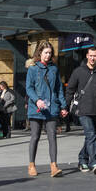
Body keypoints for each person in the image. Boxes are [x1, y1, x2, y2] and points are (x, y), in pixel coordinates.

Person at [65, 47, 96, 174]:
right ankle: (95, 162)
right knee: (91, 134)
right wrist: (64, 107)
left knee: (90, 137)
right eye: (91, 55)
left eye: (95, 56)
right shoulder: (78, 72)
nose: (93, 58)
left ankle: (82, 159)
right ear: (87, 56)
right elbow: (70, 90)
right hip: (83, 110)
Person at [25, 42, 67, 177]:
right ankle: (31, 164)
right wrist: (37, 100)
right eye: (46, 53)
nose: (48, 55)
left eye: (50, 53)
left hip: (52, 107)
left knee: (52, 137)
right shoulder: (32, 69)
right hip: (36, 108)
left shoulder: (54, 69)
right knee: (35, 136)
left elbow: (59, 88)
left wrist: (63, 105)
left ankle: (54, 166)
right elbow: (29, 88)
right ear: (40, 53)